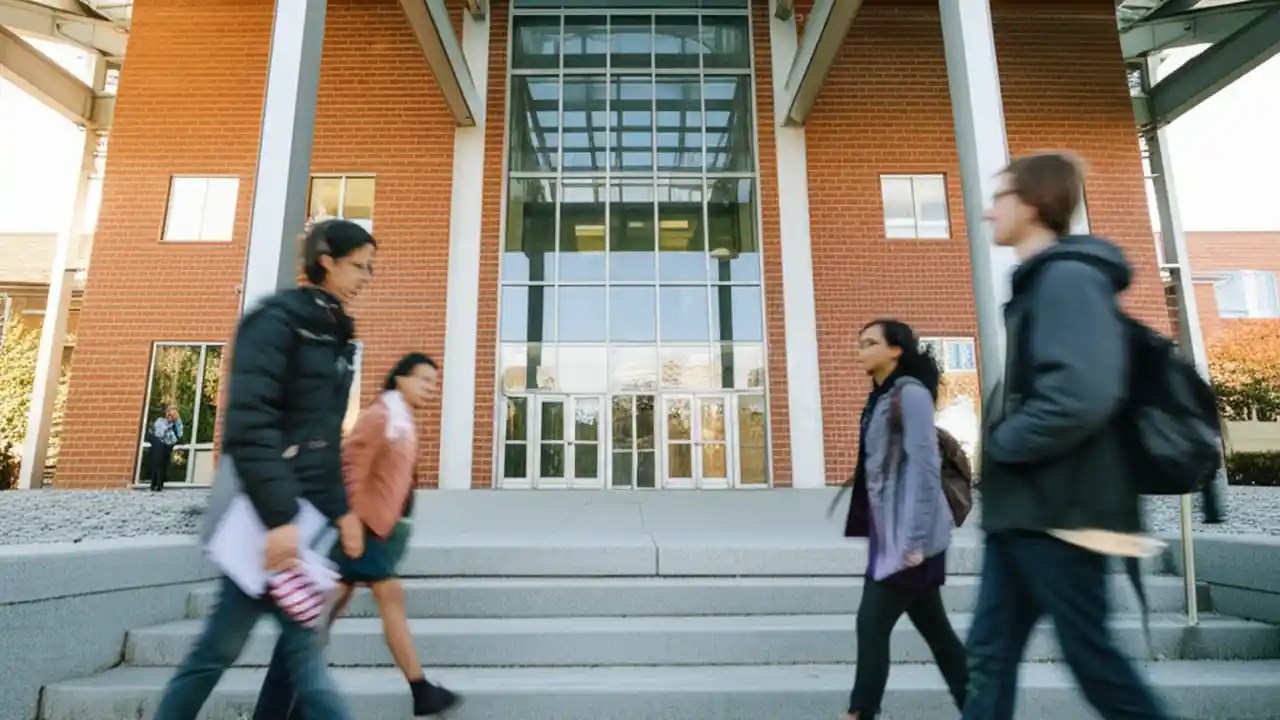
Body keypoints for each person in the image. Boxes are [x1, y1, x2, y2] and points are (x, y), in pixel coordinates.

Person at [962, 152, 1172, 720]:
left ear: (1032, 203)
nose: (989, 211)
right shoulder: (1041, 281)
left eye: (1001, 195)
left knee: (1095, 665)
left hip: (1062, 513)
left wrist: (1005, 444)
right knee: (988, 655)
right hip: (1028, 512)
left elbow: (1081, 392)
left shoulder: (1069, 278)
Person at [151, 220, 376, 720]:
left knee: (282, 660)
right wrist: (278, 520)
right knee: (222, 657)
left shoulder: (336, 334)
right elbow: (251, 427)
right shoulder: (276, 321)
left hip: (296, 525)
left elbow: (320, 440)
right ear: (327, 261)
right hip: (260, 523)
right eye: (359, 266)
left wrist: (341, 513)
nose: (367, 277)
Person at [254, 353, 461, 719]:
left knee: (320, 618)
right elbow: (349, 465)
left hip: (379, 530)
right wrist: (348, 520)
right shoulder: (381, 415)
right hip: (365, 532)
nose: (430, 388)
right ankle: (420, 689)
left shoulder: (400, 417)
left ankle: (291, 702)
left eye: (433, 382)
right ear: (401, 379)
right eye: (424, 380)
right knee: (379, 601)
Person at [843, 319, 967, 720]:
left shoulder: (910, 394)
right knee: (939, 634)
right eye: (860, 343)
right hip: (891, 534)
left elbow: (926, 468)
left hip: (910, 538)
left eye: (869, 343)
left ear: (895, 350)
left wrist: (912, 541)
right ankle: (982, 707)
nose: (860, 350)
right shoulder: (880, 397)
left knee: (871, 624)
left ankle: (861, 712)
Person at [149, 405, 183, 491]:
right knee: (157, 462)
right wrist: (168, 425)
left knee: (164, 464)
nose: (170, 415)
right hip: (158, 444)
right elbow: (159, 433)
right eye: (169, 413)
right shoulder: (160, 421)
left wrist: (177, 420)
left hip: (168, 446)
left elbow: (179, 435)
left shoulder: (176, 424)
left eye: (173, 413)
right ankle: (154, 483)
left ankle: (160, 483)